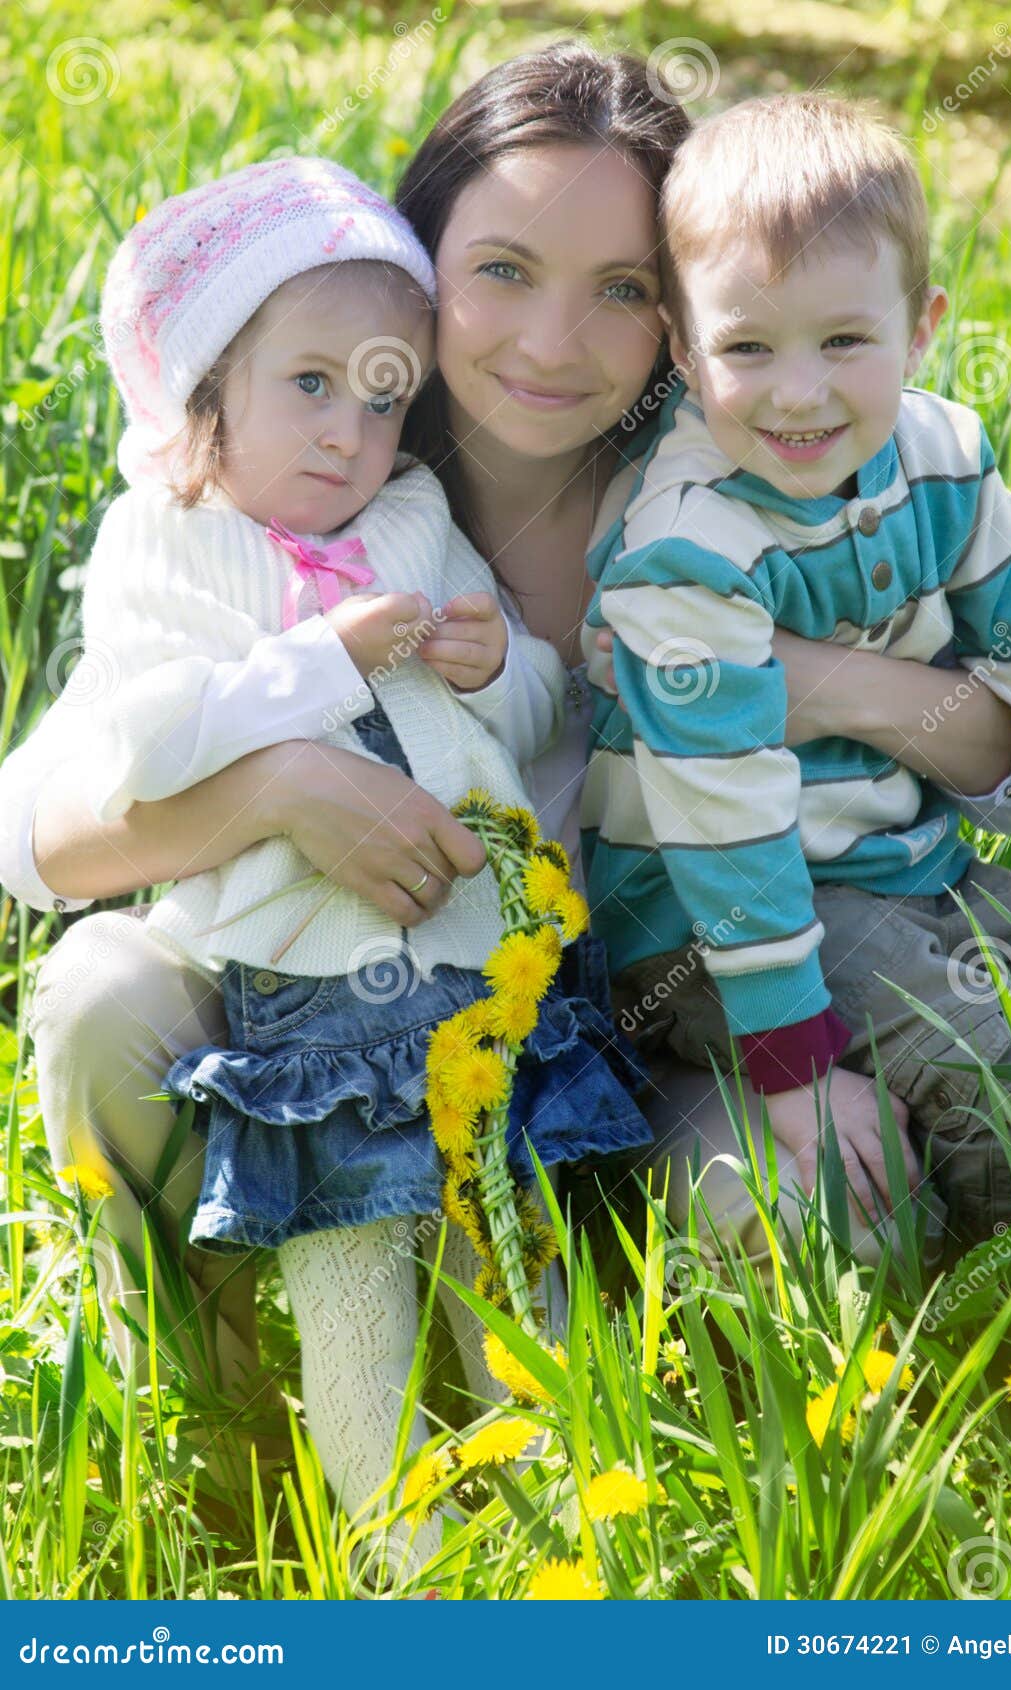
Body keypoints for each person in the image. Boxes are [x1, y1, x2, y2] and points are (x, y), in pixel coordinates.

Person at [0, 44, 1011, 1526]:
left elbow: (994, 752)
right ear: (417, 266)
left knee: (807, 1187)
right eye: (500, 268)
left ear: (677, 313)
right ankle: (227, 1446)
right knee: (106, 995)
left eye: (619, 289)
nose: (555, 341)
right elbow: (34, 826)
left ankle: (675, 1500)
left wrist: (789, 681)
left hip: (639, 1043)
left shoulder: (748, 479)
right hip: (334, 1024)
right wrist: (289, 783)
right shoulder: (309, 482)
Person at [35, 152, 657, 1546]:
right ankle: (363, 1520)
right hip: (306, 1011)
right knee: (353, 1269)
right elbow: (129, 751)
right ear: (202, 396)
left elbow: (534, 710)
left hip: (482, 984)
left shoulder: (409, 521)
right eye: (307, 387)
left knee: (507, 1252)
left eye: (380, 401)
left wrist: (498, 666)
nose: (346, 434)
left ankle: (574, 1521)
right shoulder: (171, 545)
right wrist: (317, 682)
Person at [584, 90, 1011, 1256]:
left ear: (921, 326)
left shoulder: (943, 463)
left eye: (843, 341)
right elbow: (726, 827)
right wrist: (789, 1061)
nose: (797, 394)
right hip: (707, 921)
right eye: (747, 348)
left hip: (903, 869)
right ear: (687, 357)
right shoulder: (683, 556)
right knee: (1002, 1059)